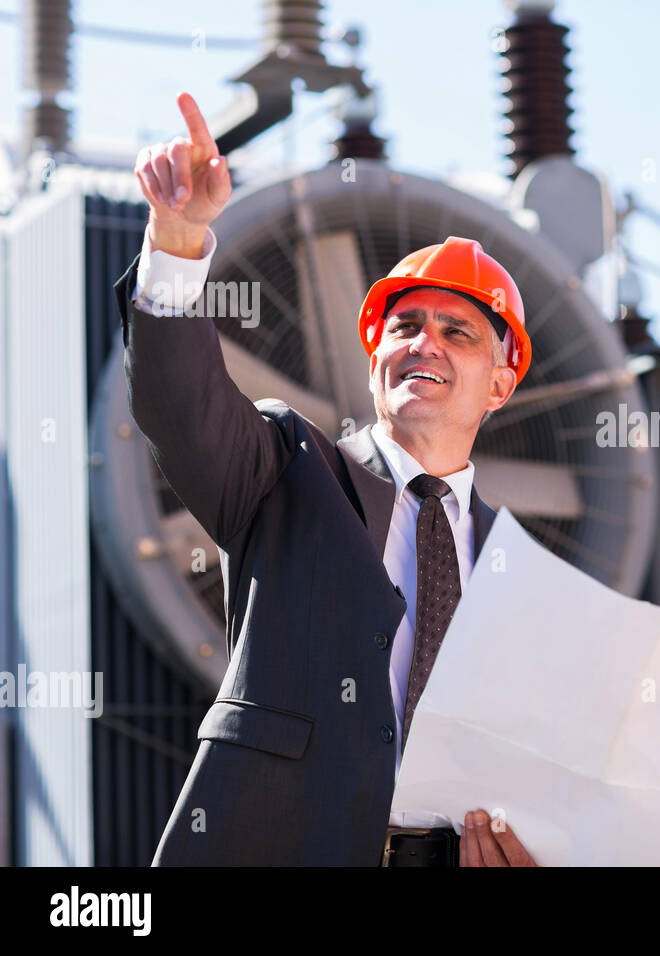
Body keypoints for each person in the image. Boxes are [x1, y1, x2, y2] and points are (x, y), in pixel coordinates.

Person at [120, 92, 537, 866]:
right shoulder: (287, 468)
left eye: (457, 333)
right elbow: (180, 405)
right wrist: (178, 238)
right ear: (375, 358)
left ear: (502, 383)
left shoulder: (525, 564)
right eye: (405, 327)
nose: (425, 346)